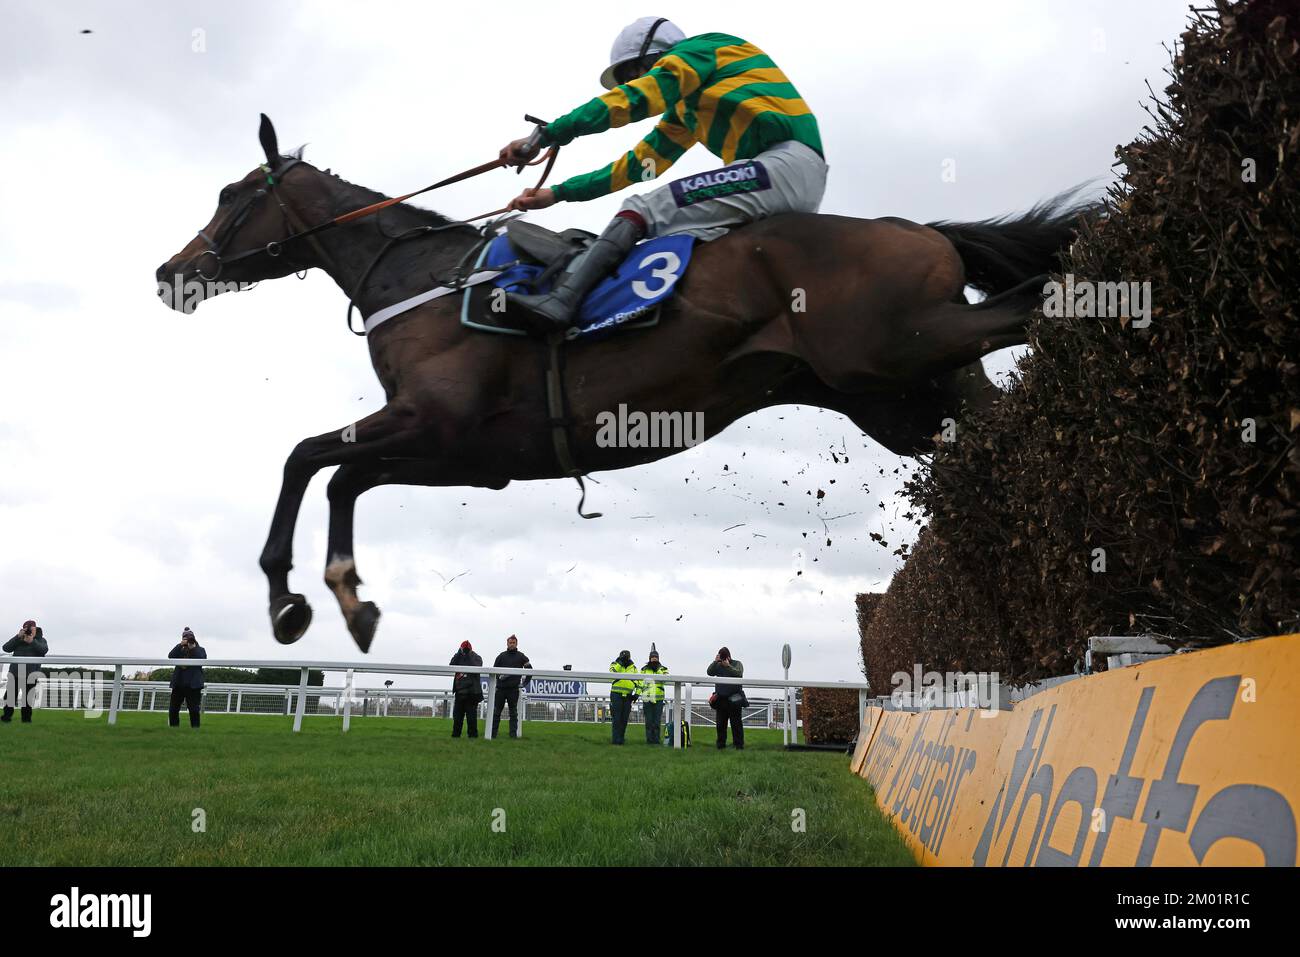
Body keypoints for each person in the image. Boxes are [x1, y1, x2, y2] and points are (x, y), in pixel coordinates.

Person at [499, 16, 828, 329]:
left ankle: (562, 301)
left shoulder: (702, 49)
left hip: (782, 167)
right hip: (776, 176)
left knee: (641, 210)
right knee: (678, 242)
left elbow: (635, 99)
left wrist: (548, 134)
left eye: (631, 74)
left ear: (653, 58)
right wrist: (558, 193)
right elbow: (637, 167)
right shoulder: (684, 111)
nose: (630, 83)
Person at [2, 619, 47, 723]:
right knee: (10, 697)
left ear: (35, 629)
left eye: (30, 629)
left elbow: (44, 650)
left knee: (28, 699)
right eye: (26, 629)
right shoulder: (18, 639)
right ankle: (6, 718)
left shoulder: (41, 639)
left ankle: (26, 720)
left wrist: (32, 641)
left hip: (31, 674)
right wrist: (17, 637)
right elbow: (5, 648)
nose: (28, 631)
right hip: (15, 673)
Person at [491, 635, 532, 739]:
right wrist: (498, 680)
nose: (512, 644)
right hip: (500, 689)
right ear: (507, 643)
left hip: (513, 690)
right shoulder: (501, 656)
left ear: (516, 644)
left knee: (513, 713)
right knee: (496, 713)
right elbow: (493, 672)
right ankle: (492, 735)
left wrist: (524, 683)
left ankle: (513, 736)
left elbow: (530, 671)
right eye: (510, 643)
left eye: (514, 643)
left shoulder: (522, 656)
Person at [706, 646, 746, 750]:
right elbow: (709, 672)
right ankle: (720, 745)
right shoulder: (718, 665)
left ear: (729, 656)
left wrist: (728, 666)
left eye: (724, 656)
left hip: (735, 698)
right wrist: (715, 662)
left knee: (736, 724)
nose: (723, 658)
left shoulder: (737, 663)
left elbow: (739, 674)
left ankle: (738, 745)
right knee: (720, 724)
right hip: (721, 698)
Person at [167, 627, 207, 728]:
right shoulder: (179, 649)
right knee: (173, 709)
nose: (188, 640)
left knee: (194, 710)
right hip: (178, 683)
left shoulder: (200, 650)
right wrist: (180, 645)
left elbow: (202, 659)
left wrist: (193, 647)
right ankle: (174, 729)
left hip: (193, 685)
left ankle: (195, 729)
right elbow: (170, 656)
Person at [449, 640, 484, 738]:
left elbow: (477, 667)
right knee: (457, 717)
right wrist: (458, 653)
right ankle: (455, 736)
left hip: (472, 693)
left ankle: (472, 737)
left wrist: (469, 654)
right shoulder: (458, 657)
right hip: (460, 692)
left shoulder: (477, 657)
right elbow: (451, 665)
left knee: (471, 718)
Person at [608, 649, 641, 745]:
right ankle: (615, 740)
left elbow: (639, 682)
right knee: (616, 718)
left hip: (628, 696)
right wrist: (620, 662)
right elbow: (612, 672)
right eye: (623, 656)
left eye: (626, 656)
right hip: (616, 694)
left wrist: (637, 693)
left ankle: (621, 740)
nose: (625, 658)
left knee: (624, 719)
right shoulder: (615, 664)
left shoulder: (633, 668)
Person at [640, 644, 670, 745]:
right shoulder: (644, 669)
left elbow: (666, 679)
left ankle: (656, 740)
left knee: (657, 722)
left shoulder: (663, 669)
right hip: (647, 699)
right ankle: (649, 741)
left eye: (656, 657)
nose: (654, 659)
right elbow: (640, 682)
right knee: (649, 722)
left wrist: (658, 668)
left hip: (659, 699)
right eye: (652, 657)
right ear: (649, 658)